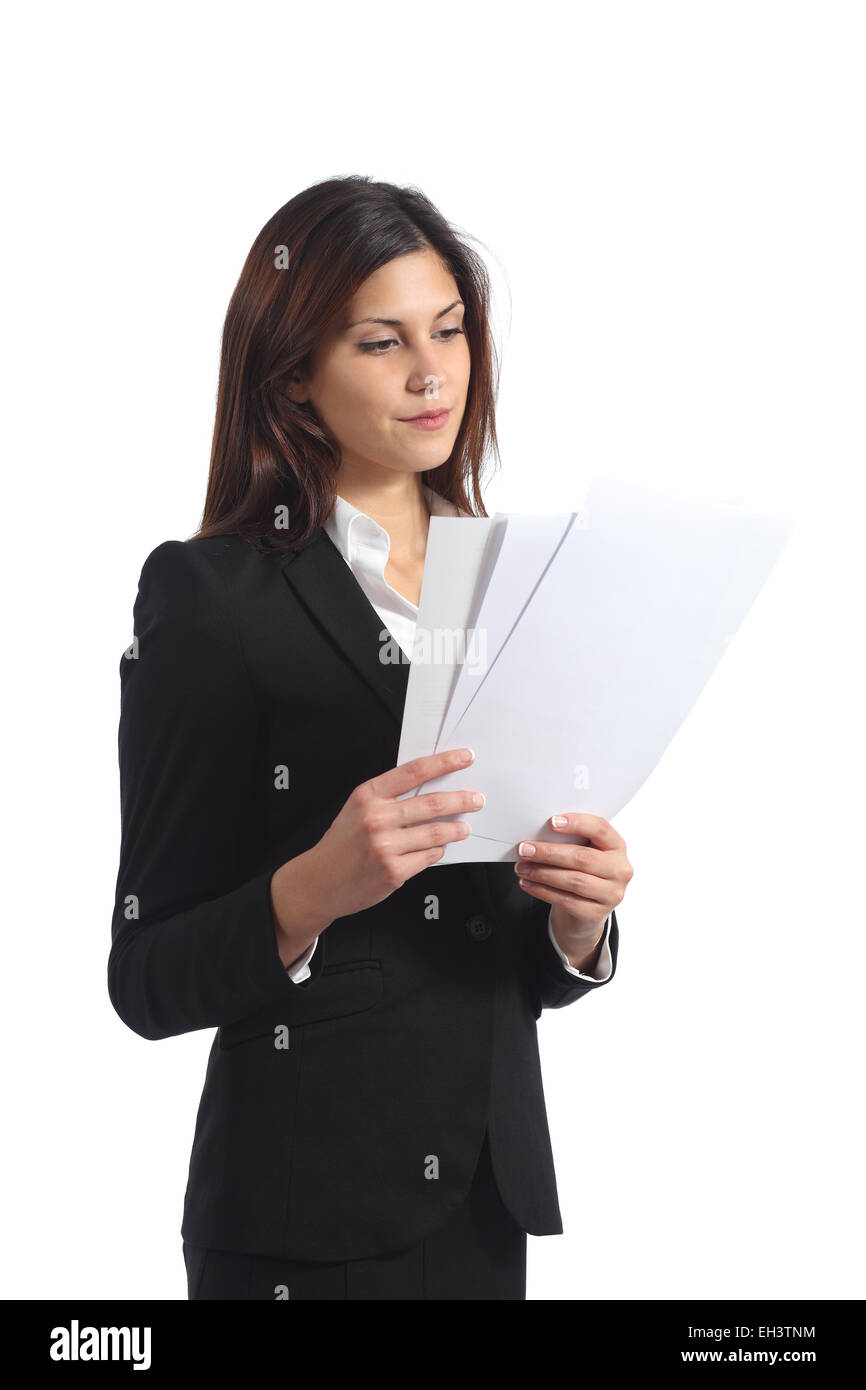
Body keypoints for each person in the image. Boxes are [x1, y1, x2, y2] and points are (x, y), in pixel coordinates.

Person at [108, 175, 633, 1300]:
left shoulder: (513, 581)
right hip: (302, 1223)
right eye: (381, 342)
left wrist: (574, 923)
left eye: (448, 330)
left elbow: (485, 958)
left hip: (485, 1208)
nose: (432, 371)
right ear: (292, 374)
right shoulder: (211, 597)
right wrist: (311, 887)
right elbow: (146, 975)